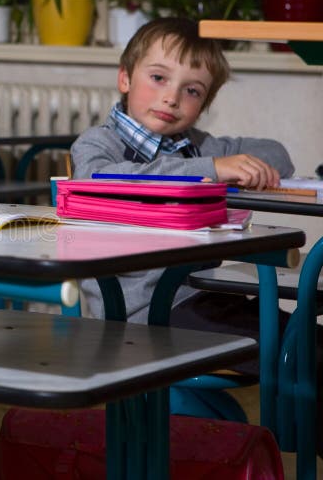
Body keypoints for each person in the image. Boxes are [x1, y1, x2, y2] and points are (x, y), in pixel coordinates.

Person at [70, 17, 295, 333]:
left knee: (301, 339)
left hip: (207, 296)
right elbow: (99, 180)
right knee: (294, 349)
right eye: (159, 77)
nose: (172, 97)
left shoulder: (198, 145)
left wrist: (239, 165)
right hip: (144, 313)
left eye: (192, 90)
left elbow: (278, 156)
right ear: (125, 78)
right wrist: (212, 169)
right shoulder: (100, 142)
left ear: (204, 104)